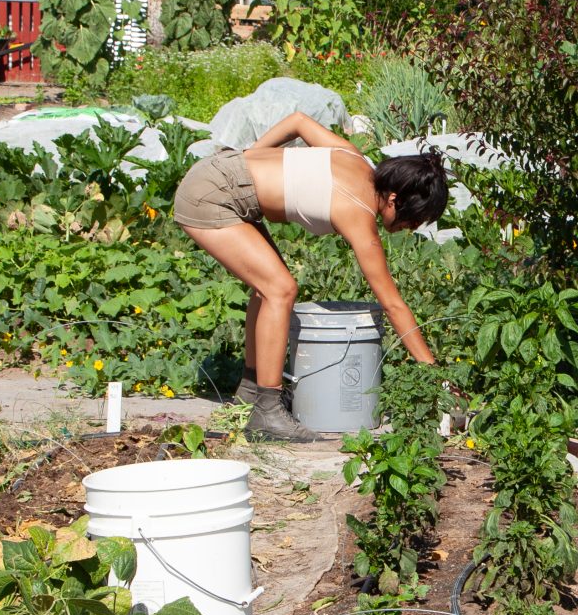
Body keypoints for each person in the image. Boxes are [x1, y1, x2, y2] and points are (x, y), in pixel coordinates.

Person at [171, 114, 450, 439]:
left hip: (221, 171)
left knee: (268, 288)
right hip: (210, 195)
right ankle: (267, 413)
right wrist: (434, 375)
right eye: (413, 219)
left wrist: (251, 158)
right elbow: (393, 304)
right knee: (279, 289)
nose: (410, 227)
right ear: (393, 199)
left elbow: (298, 122)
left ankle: (250, 391)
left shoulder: (354, 158)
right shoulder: (358, 212)